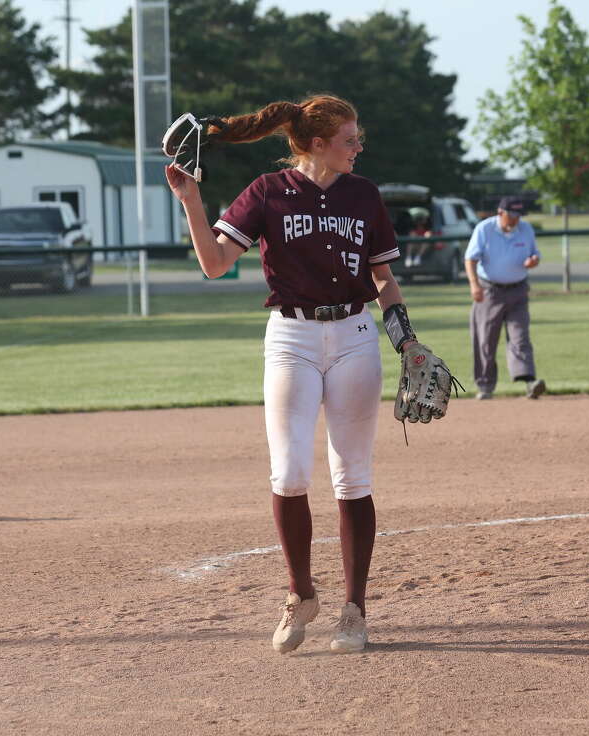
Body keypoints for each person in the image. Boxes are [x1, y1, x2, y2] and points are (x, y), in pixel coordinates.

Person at [165, 95, 438, 655]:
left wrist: (405, 340)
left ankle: (355, 609)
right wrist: (192, 200)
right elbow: (215, 265)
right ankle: (300, 593)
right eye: (349, 140)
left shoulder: (364, 195)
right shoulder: (268, 192)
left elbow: (383, 278)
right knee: (289, 473)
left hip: (356, 337)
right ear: (316, 144)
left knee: (352, 476)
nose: (359, 147)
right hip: (291, 336)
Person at [465, 196, 545, 401]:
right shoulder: (484, 229)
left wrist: (533, 261)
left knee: (520, 336)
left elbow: (534, 255)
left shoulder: (526, 229)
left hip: (518, 290)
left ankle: (529, 381)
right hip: (490, 290)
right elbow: (470, 259)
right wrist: (474, 285)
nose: (517, 219)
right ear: (501, 213)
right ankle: (485, 386)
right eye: (513, 215)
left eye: (519, 215)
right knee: (485, 339)